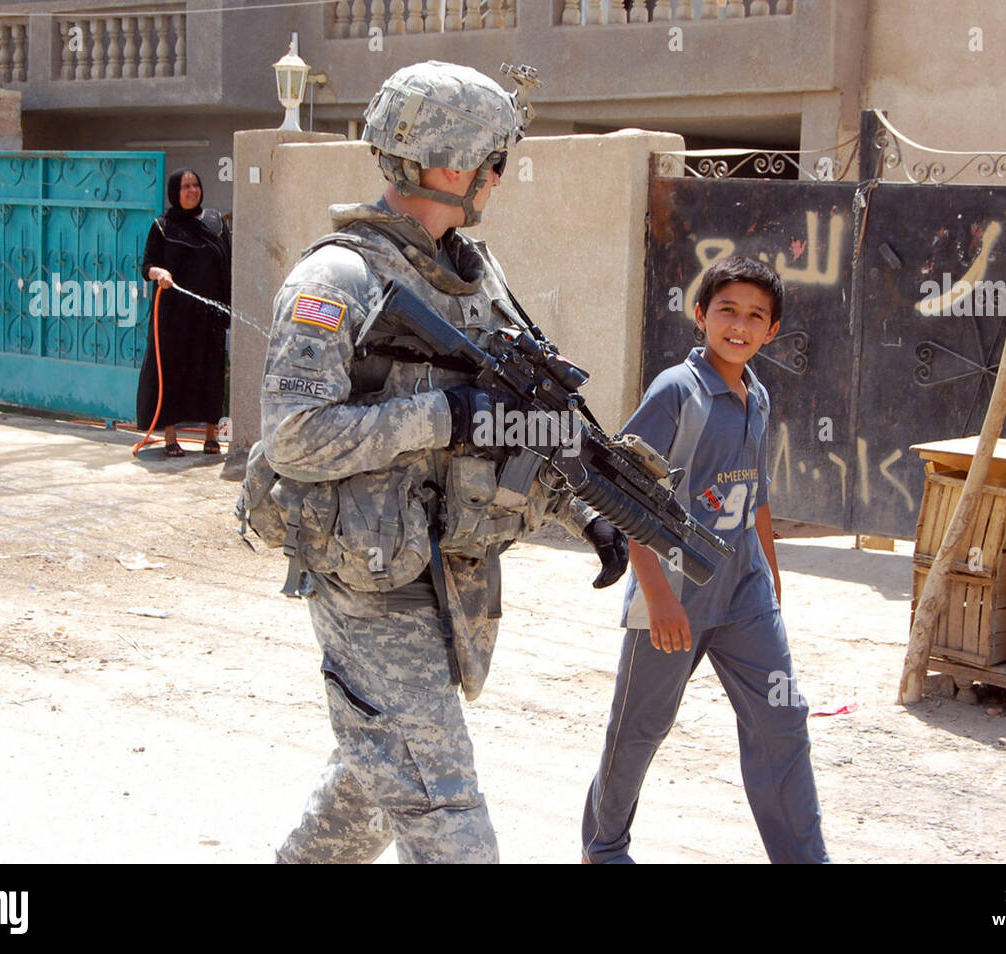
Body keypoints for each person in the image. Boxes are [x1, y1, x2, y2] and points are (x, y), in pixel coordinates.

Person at [261, 61, 628, 864]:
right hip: (367, 576)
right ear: (454, 166)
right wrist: (443, 415)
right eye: (495, 163)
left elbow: (517, 417)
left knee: (375, 776)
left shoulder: (474, 275)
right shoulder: (336, 281)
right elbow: (294, 434)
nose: (499, 181)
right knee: (443, 803)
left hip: (447, 568)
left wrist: (586, 510)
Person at [581, 255, 829, 864]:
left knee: (782, 720)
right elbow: (627, 491)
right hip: (673, 595)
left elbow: (758, 493)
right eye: (727, 311)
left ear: (772, 330)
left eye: (755, 316)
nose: (739, 326)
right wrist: (660, 598)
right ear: (701, 315)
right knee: (639, 730)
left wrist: (770, 577)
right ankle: (603, 849)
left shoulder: (758, 395)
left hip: (743, 593)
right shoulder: (676, 391)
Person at [136, 168, 232, 457]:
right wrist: (160, 272)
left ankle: (211, 435)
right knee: (174, 372)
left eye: (195, 185)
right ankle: (170, 437)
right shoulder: (163, 226)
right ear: (174, 193)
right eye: (185, 187)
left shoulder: (216, 222)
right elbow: (146, 267)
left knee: (210, 372)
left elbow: (227, 263)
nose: (191, 191)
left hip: (209, 314)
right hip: (174, 317)